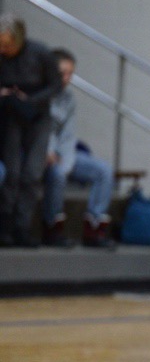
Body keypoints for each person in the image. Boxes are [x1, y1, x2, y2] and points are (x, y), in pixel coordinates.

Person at [41, 49, 117, 249]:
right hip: (38, 153)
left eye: (70, 74)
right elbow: (40, 129)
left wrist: (66, 161)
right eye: (62, 73)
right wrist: (48, 152)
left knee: (104, 170)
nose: (66, 78)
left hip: (63, 155)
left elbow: (68, 135)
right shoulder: (39, 93)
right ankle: (52, 228)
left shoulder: (69, 98)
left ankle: (94, 228)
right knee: (56, 174)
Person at [0, 14, 62, 247]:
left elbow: (56, 85)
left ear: (20, 38)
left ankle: (22, 228)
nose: (4, 49)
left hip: (37, 116)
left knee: (32, 174)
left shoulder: (41, 53)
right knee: (12, 174)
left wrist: (31, 100)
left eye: (8, 44)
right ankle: (5, 227)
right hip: (11, 116)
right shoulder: (2, 56)